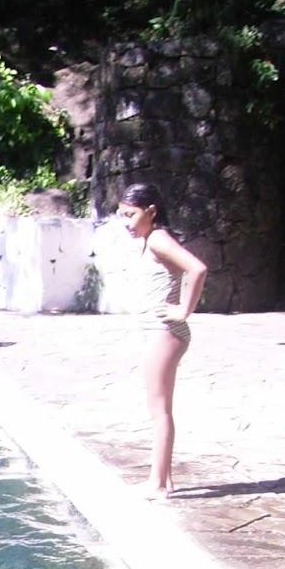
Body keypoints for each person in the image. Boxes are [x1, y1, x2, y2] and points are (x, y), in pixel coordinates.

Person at [116, 181, 208, 499]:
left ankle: (156, 484)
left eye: (131, 215)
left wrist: (184, 311)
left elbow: (197, 269)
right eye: (122, 215)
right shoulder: (150, 240)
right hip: (159, 332)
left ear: (151, 211)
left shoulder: (158, 239)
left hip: (165, 332)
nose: (126, 223)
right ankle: (164, 480)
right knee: (160, 409)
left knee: (159, 412)